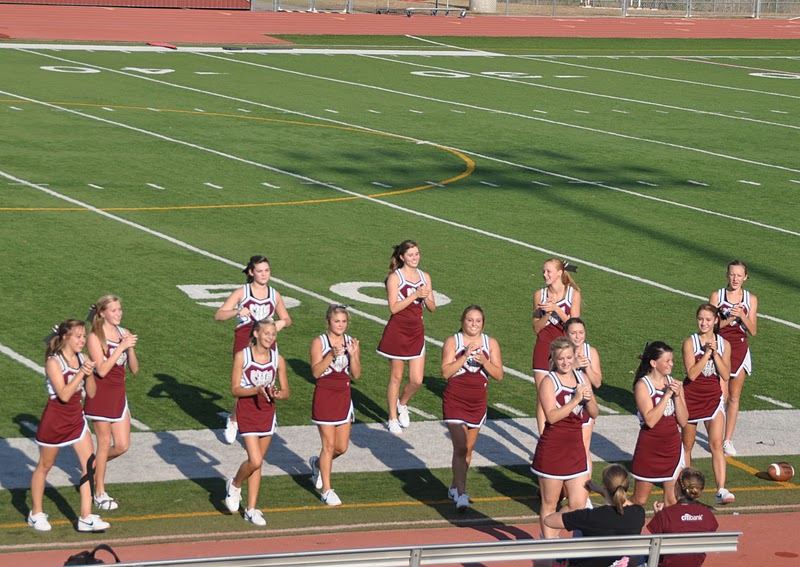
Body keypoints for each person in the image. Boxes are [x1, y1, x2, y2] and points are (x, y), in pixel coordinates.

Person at [29, 320, 110, 532]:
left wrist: (89, 373)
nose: (83, 341)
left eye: (84, 337)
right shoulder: (53, 362)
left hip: (76, 419)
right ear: (66, 337)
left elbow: (91, 393)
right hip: (55, 421)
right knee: (45, 466)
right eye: (78, 337)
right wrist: (81, 373)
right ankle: (35, 512)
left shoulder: (83, 358)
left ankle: (85, 516)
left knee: (89, 464)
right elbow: (64, 395)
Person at [215, 255, 292, 444]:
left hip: (267, 342)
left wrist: (278, 325)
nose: (264, 274)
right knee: (245, 381)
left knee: (266, 379)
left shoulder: (274, 294)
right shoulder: (242, 292)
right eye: (260, 271)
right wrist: (237, 311)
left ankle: (266, 415)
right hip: (244, 339)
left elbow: (288, 319)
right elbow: (219, 315)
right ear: (251, 272)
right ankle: (234, 419)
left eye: (267, 270)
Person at [223, 318, 290, 526]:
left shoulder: (278, 359)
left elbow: (286, 391)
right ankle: (234, 484)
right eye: (266, 333)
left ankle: (251, 509)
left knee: (258, 462)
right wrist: (256, 390)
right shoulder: (242, 356)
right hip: (248, 410)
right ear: (256, 334)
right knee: (256, 460)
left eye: (273, 334)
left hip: (267, 412)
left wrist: (278, 394)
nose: (270, 337)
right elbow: (235, 389)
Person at [531, 336, 598, 539]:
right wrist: (575, 400)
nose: (566, 362)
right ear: (554, 358)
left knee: (578, 504)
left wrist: (587, 400)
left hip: (575, 449)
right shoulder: (548, 382)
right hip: (553, 448)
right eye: (561, 358)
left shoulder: (581, 378)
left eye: (569, 357)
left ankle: (550, 534)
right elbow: (551, 416)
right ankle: (550, 546)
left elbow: (594, 412)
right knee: (549, 503)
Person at [441, 305, 504, 512]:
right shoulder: (453, 341)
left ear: (483, 324)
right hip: (455, 401)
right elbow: (446, 372)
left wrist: (485, 360)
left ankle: (453, 486)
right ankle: (462, 494)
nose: (473, 324)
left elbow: (499, 375)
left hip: (477, 403)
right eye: (470, 320)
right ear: (462, 321)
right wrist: (464, 356)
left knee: (467, 449)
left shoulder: (490, 343)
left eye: (477, 321)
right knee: (460, 447)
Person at [84, 295, 139, 512]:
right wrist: (120, 347)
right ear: (102, 313)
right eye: (113, 310)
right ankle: (99, 492)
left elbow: (134, 369)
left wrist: (131, 348)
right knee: (104, 444)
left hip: (119, 394)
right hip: (101, 395)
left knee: (123, 445)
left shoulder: (122, 333)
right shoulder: (94, 337)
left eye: (119, 309)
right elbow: (102, 370)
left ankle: (90, 468)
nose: (118, 313)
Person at [376, 240, 436, 435]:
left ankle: (403, 404)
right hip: (398, 331)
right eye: (411, 255)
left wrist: (425, 296)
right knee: (396, 376)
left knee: (417, 380)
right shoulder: (395, 277)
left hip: (416, 330)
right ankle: (392, 417)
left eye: (417, 254)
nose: (415, 258)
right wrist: (415, 295)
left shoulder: (425, 276)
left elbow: (432, 308)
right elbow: (393, 308)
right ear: (402, 257)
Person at [309, 305, 362, 507]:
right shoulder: (319, 342)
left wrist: (354, 355)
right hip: (324, 396)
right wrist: (330, 354)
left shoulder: (351, 342)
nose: (340, 325)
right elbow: (315, 372)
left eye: (344, 321)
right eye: (336, 321)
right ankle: (327, 490)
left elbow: (356, 374)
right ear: (328, 322)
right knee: (328, 446)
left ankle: (316, 464)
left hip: (344, 397)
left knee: (341, 447)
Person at [543, 464, 646, 567]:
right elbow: (621, 504)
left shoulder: (589, 517)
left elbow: (548, 521)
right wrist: (602, 490)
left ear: (605, 486)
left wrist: (572, 509)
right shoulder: (639, 513)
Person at [682, 303, 733, 506]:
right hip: (691, 398)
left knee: (716, 445)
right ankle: (686, 488)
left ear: (715, 321)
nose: (703, 323)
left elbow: (726, 374)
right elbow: (692, 374)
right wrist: (705, 355)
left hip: (713, 398)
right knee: (687, 445)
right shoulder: (690, 343)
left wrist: (715, 354)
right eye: (700, 319)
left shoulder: (724, 344)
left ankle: (721, 489)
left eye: (708, 320)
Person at [709, 260, 758, 458]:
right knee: (722, 397)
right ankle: (716, 436)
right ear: (726, 275)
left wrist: (743, 316)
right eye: (732, 274)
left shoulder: (750, 298)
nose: (735, 278)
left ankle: (727, 440)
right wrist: (729, 317)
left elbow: (753, 330)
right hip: (721, 349)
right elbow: (711, 327)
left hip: (740, 349)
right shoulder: (717, 296)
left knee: (735, 397)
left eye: (739, 275)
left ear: (745, 277)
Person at [631, 342, 688, 508]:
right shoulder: (642, 386)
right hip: (650, 448)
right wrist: (667, 394)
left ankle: (670, 532)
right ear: (654, 363)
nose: (671, 364)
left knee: (672, 500)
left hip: (672, 448)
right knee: (639, 500)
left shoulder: (675, 384)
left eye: (672, 360)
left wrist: (677, 396)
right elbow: (650, 420)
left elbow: (684, 421)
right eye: (667, 360)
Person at [532, 259, 581, 435]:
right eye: (544, 271)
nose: (544, 274)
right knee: (542, 396)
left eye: (548, 272)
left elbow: (575, 326)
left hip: (565, 349)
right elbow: (536, 328)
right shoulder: (539, 295)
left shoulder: (573, 294)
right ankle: (542, 437)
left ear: (559, 273)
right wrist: (548, 314)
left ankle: (563, 430)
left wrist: (557, 309)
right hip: (544, 345)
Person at [647, 467, 719, 567]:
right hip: (695, 563)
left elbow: (655, 543)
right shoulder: (707, 514)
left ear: (677, 486)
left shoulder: (665, 514)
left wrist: (658, 515)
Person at [564, 317, 601, 507]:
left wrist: (586, 366)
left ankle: (584, 495)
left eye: (581, 332)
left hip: (584, 407)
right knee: (565, 449)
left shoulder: (590, 352)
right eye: (573, 333)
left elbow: (597, 382)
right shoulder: (560, 351)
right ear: (566, 334)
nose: (577, 336)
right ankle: (564, 488)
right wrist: (573, 365)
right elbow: (552, 374)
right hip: (565, 406)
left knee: (584, 449)